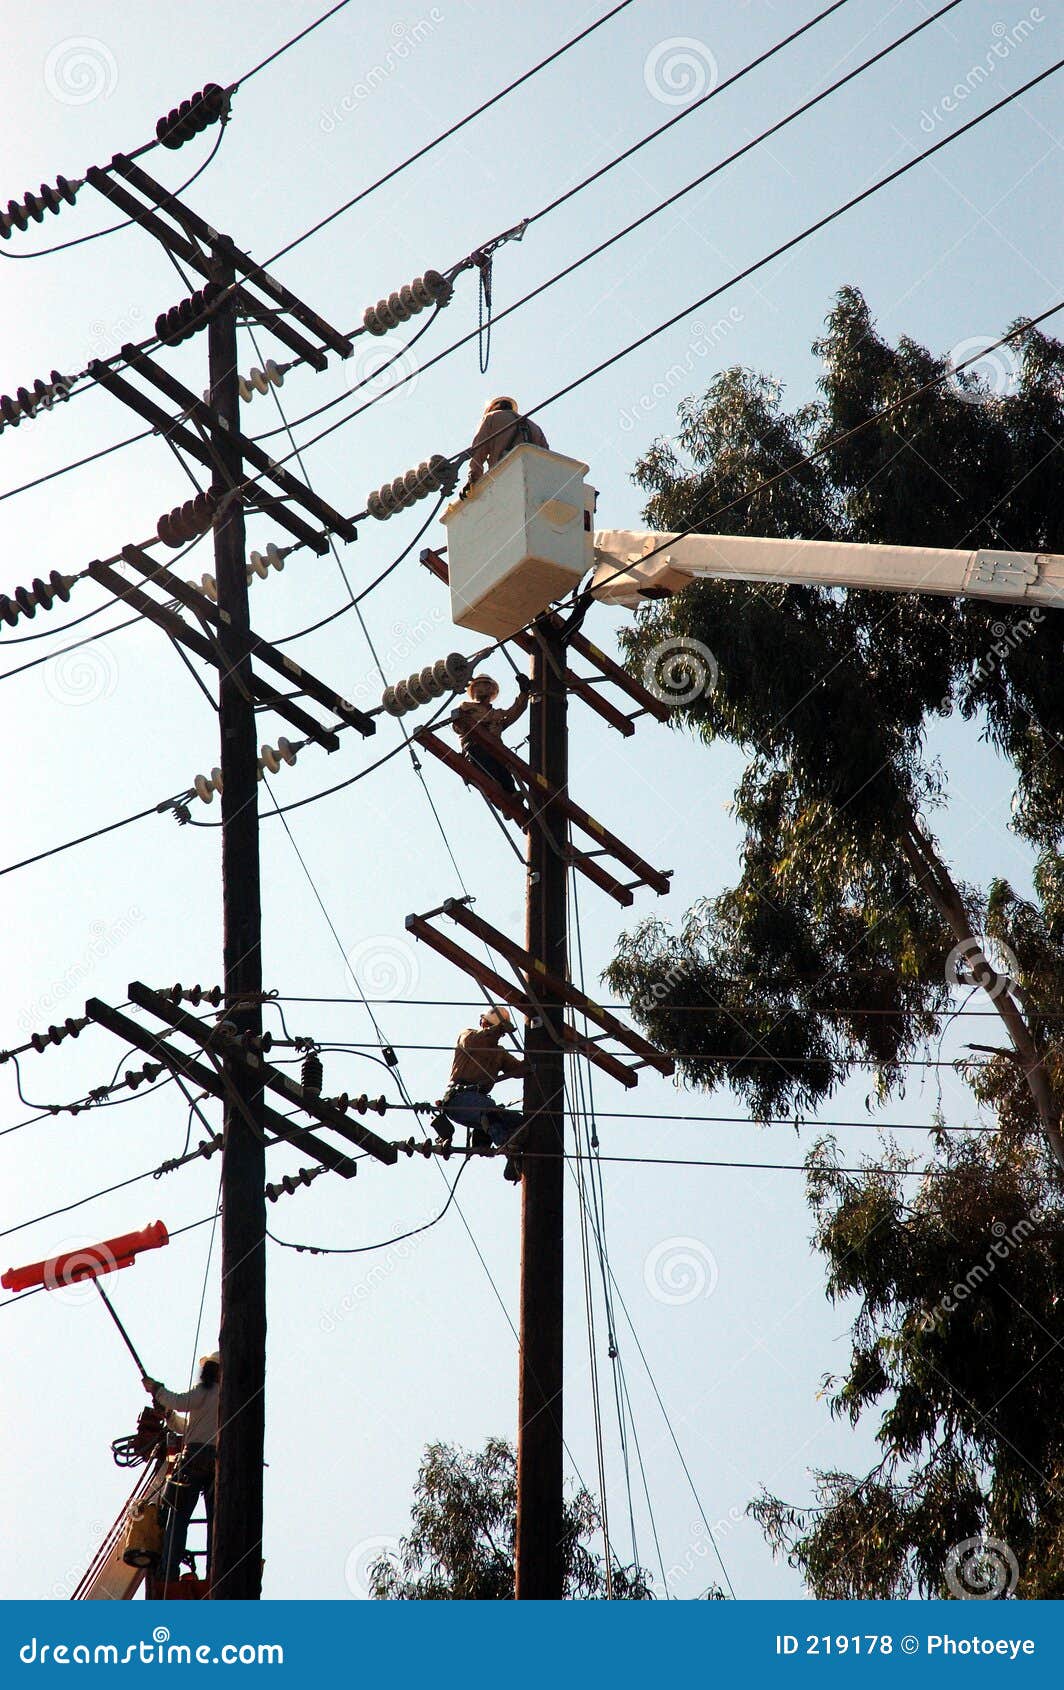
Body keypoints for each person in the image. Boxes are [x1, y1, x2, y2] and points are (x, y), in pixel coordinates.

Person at [142, 1352, 220, 1586]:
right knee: (216, 1522)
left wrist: (157, 1389)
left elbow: (178, 1401)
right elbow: (189, 1427)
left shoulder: (204, 1390)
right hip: (216, 1464)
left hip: (194, 1459)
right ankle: (214, 1570)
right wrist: (167, 1414)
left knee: (176, 1517)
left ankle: (168, 1572)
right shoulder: (226, 1397)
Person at [434, 1007, 527, 1181]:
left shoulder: (499, 1054)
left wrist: (543, 1057)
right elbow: (473, 1043)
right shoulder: (468, 1035)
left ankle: (515, 1155)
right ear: (481, 1022)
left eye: (494, 1028)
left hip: (480, 1104)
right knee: (489, 1111)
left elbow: (519, 1070)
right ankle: (508, 1147)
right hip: (458, 1099)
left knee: (519, 1122)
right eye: (487, 1025)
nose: (488, 1029)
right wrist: (498, 1029)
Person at [452, 671, 531, 795]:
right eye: (476, 686)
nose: (479, 689)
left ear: (491, 689)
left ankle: (512, 796)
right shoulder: (466, 707)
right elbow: (457, 727)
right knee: (489, 774)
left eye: (482, 685)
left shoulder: (497, 715)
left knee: (504, 770)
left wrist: (524, 692)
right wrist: (478, 727)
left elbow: (515, 711)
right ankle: (505, 799)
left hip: (495, 749)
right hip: (474, 748)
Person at [465, 395, 549, 489]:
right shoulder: (535, 427)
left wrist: (473, 478)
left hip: (504, 472)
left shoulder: (491, 417)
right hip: (534, 477)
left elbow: (479, 450)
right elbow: (546, 455)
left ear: (492, 408)